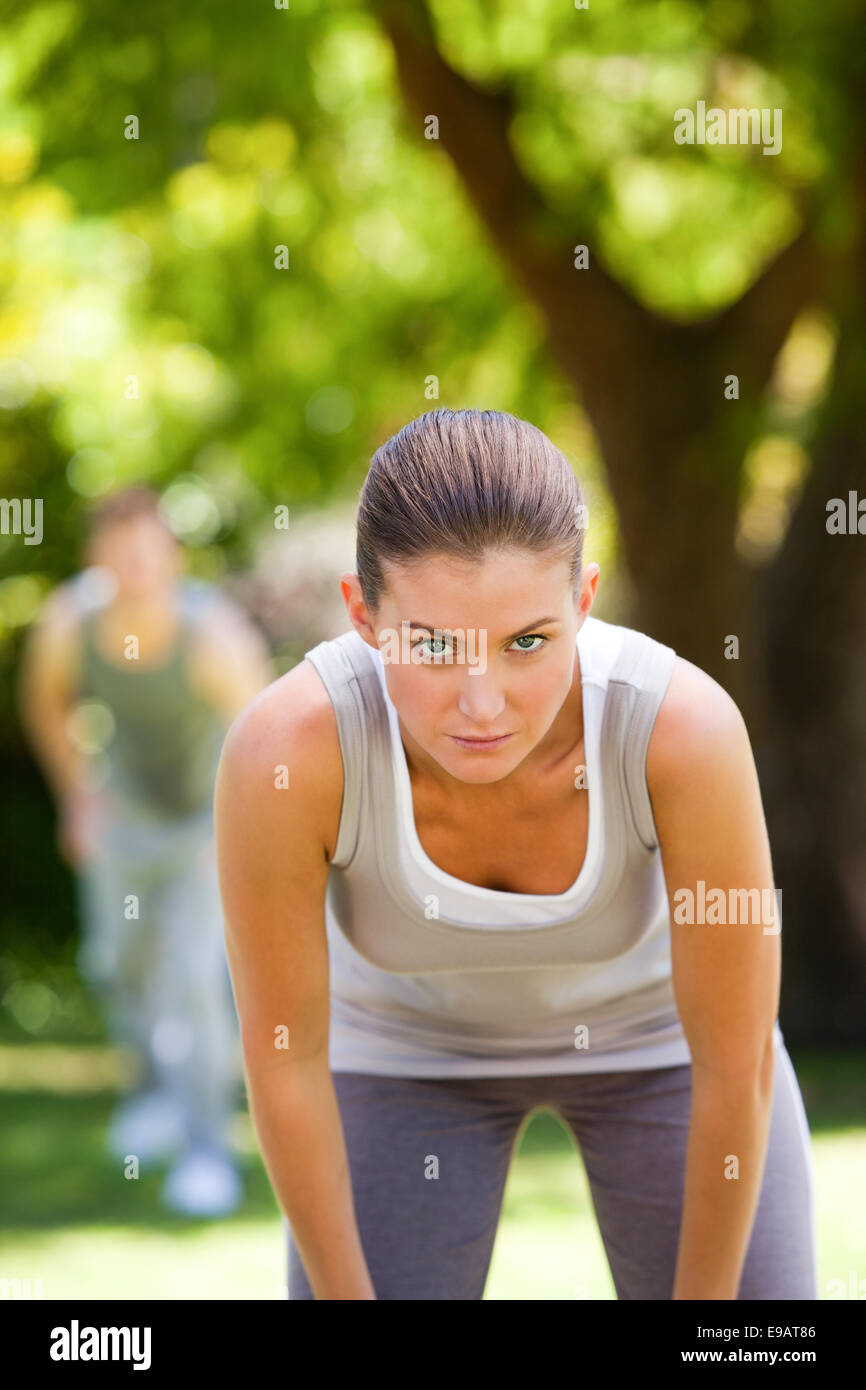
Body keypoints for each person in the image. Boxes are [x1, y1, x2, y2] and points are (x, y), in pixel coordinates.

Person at [215, 408, 818, 1299]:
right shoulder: (286, 753)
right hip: (401, 1053)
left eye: (527, 642)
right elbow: (284, 1058)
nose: (483, 704)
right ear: (363, 615)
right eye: (431, 645)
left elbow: (735, 1061)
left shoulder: (681, 732)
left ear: (584, 602)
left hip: (665, 1050)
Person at [19, 485, 273, 1217]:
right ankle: (154, 1098)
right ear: (96, 558)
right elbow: (47, 701)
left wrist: (234, 836)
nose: (134, 567)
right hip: (123, 820)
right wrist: (78, 798)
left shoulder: (212, 635)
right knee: (118, 962)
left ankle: (207, 1153)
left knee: (193, 977)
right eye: (117, 553)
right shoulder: (73, 621)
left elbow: (263, 738)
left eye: (148, 552)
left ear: (173, 556)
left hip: (205, 822)